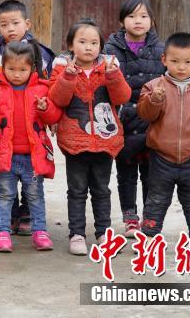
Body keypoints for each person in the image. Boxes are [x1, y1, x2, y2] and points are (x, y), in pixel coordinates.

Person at [0, 0, 55, 236]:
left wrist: (48, 114)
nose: (10, 29)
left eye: (15, 23)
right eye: (4, 24)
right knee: (7, 168)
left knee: (31, 171)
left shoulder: (40, 51)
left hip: (30, 121)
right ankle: (12, 213)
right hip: (2, 121)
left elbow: (47, 85)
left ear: (26, 23)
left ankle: (28, 211)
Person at [50, 19, 131, 256]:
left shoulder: (109, 67)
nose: (88, 47)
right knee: (76, 190)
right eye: (82, 42)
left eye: (94, 43)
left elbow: (122, 97)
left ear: (101, 46)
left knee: (101, 189)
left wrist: (114, 76)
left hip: (105, 141)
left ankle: (103, 232)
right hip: (75, 141)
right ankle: (76, 233)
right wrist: (68, 77)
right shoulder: (61, 68)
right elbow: (58, 99)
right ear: (70, 45)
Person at [0, 40, 60, 253]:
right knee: (5, 195)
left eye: (22, 69)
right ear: (3, 67)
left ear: (32, 67)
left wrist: (45, 107)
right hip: (7, 155)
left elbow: (54, 116)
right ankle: (2, 232)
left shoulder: (42, 89)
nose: (16, 74)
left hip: (33, 156)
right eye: (11, 69)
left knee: (35, 195)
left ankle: (40, 231)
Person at [137, 32, 190, 240]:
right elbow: (145, 114)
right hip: (161, 157)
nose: (181, 67)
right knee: (157, 198)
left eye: (187, 62)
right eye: (175, 61)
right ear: (164, 60)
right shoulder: (154, 86)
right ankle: (148, 236)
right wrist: (154, 100)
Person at [102, 0, 164, 237]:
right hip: (122, 121)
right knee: (126, 173)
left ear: (152, 20)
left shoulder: (161, 50)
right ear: (121, 20)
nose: (138, 21)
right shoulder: (109, 50)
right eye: (131, 16)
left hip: (152, 122)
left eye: (144, 16)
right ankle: (130, 217)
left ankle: (150, 218)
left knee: (152, 175)